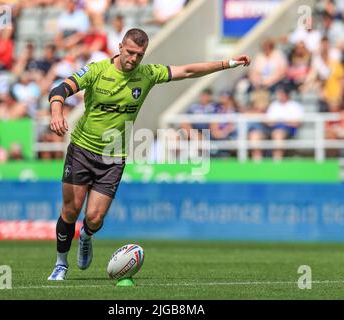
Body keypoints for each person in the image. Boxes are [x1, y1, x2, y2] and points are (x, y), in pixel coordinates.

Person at [47, 28, 251, 280]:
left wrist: (227, 63)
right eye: (130, 52)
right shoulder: (97, 70)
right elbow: (60, 90)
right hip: (82, 150)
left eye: (139, 55)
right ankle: (61, 264)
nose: (133, 59)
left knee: (95, 217)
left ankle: (87, 236)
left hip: (113, 156)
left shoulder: (147, 74)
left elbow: (187, 71)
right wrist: (57, 112)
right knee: (71, 210)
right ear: (120, 46)